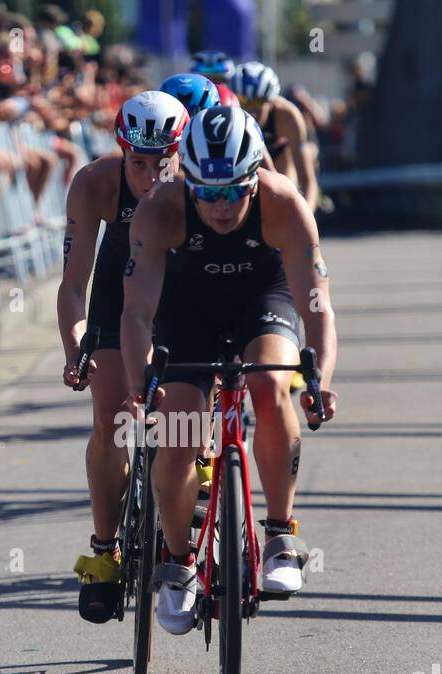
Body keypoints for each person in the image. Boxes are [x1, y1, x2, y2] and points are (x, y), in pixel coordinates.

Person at [118, 105, 338, 634]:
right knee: (180, 429)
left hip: (261, 298)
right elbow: (137, 312)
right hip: (185, 309)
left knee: (269, 382)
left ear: (254, 179)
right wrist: (136, 387)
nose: (221, 206)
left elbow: (317, 306)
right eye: (208, 192)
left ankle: (281, 532)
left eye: (234, 191)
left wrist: (321, 380)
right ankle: (178, 563)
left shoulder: (283, 202)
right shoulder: (159, 209)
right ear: (188, 180)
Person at [60, 90, 188, 621]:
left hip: (182, 291)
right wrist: (75, 349)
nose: (151, 175)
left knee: (183, 419)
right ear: (121, 152)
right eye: (139, 163)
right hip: (117, 294)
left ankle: (192, 480)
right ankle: (106, 552)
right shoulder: (94, 183)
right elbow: (73, 285)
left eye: (163, 162)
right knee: (112, 420)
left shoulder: (200, 185)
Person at [234, 61, 318, 212]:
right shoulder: (230, 111)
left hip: (278, 155)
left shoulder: (288, 116)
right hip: (246, 157)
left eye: (258, 102)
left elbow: (306, 177)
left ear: (270, 100)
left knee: (284, 193)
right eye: (245, 101)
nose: (251, 110)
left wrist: (306, 215)